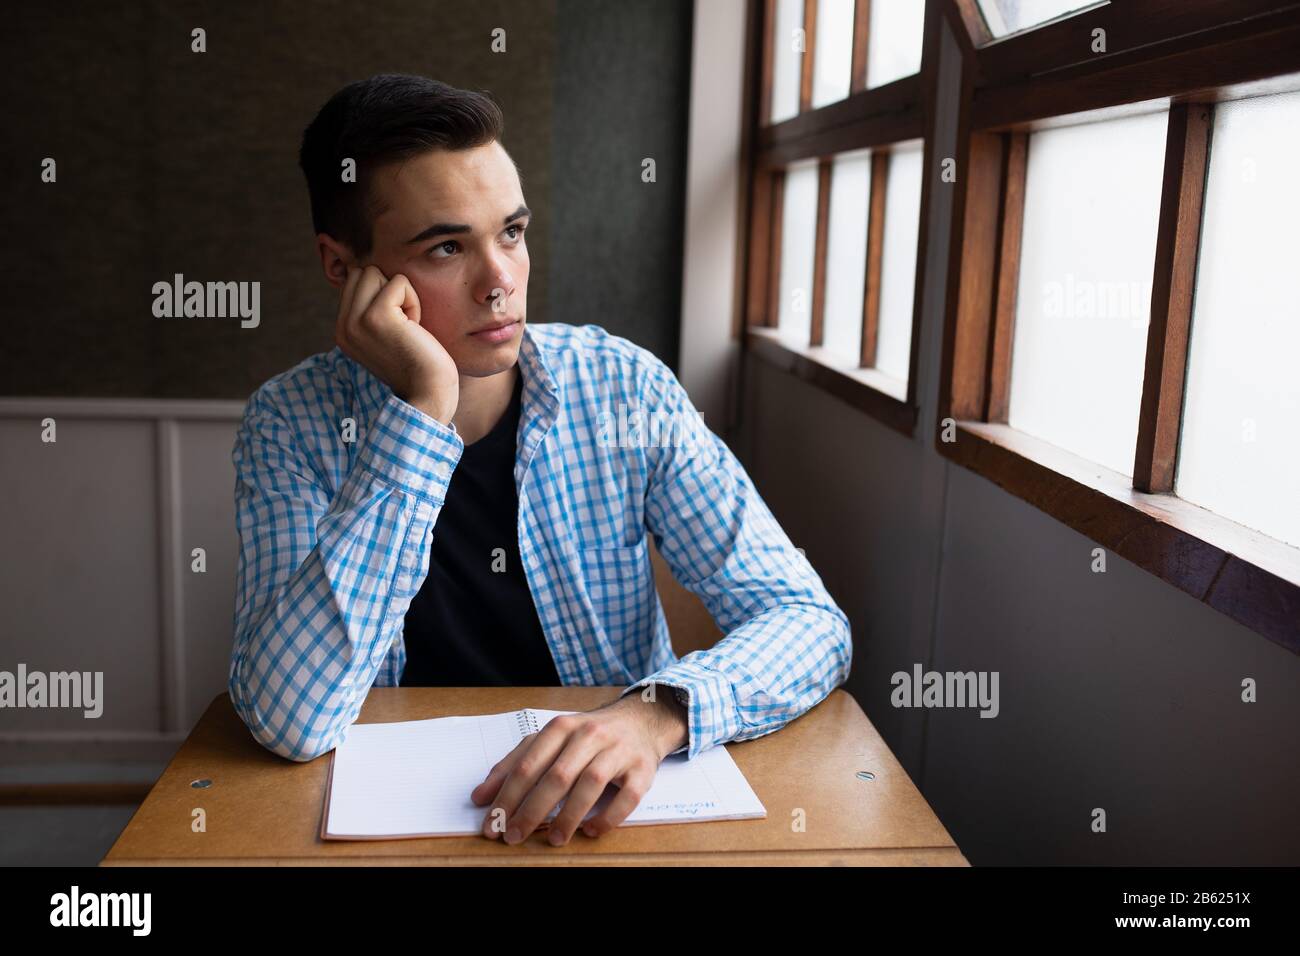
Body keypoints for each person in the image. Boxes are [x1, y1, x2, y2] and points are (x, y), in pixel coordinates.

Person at [229, 73, 851, 847]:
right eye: (447, 247)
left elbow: (807, 620)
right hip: (390, 830)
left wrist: (655, 715)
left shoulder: (624, 388)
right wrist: (422, 411)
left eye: (512, 233)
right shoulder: (290, 424)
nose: (500, 282)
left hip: (600, 824)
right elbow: (289, 719)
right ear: (343, 268)